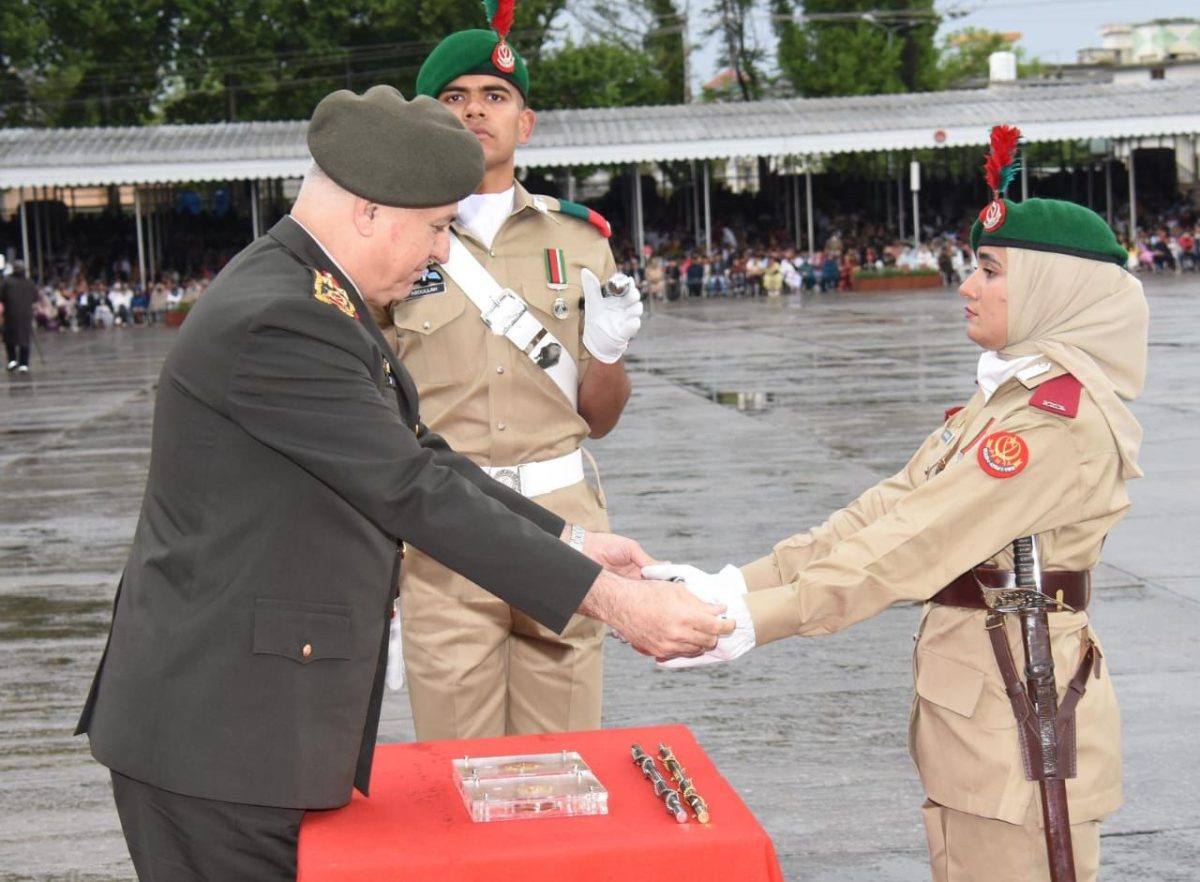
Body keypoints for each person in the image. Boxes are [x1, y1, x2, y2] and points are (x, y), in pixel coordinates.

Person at [76, 84, 730, 882]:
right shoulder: (283, 319)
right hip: (219, 736)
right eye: (435, 228)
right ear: (369, 212)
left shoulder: (311, 295)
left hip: (244, 724)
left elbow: (422, 455)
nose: (443, 253)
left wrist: (573, 540)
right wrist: (613, 602)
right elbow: (413, 489)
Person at [648, 127, 1146, 882]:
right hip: (986, 717)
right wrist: (734, 585)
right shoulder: (1004, 403)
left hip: (1021, 730)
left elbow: (913, 544)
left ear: (1053, 287)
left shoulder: (1050, 424)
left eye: (989, 270)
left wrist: (757, 621)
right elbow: (882, 512)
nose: (966, 286)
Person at [388, 24, 645, 740]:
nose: (475, 109)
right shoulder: (396, 243)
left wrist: (609, 353)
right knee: (460, 769)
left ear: (524, 123)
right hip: (446, 531)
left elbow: (600, 419)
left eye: (494, 96)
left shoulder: (582, 241)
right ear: (427, 120)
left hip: (566, 528)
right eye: (454, 97)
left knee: (562, 766)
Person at [2, 260, 37, 373]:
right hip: (26, 315)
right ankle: (23, 363)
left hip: (11, 314)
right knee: (25, 339)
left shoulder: (7, 282)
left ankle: (12, 360)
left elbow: (1, 296)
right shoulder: (30, 283)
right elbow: (35, 297)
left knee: (10, 338)